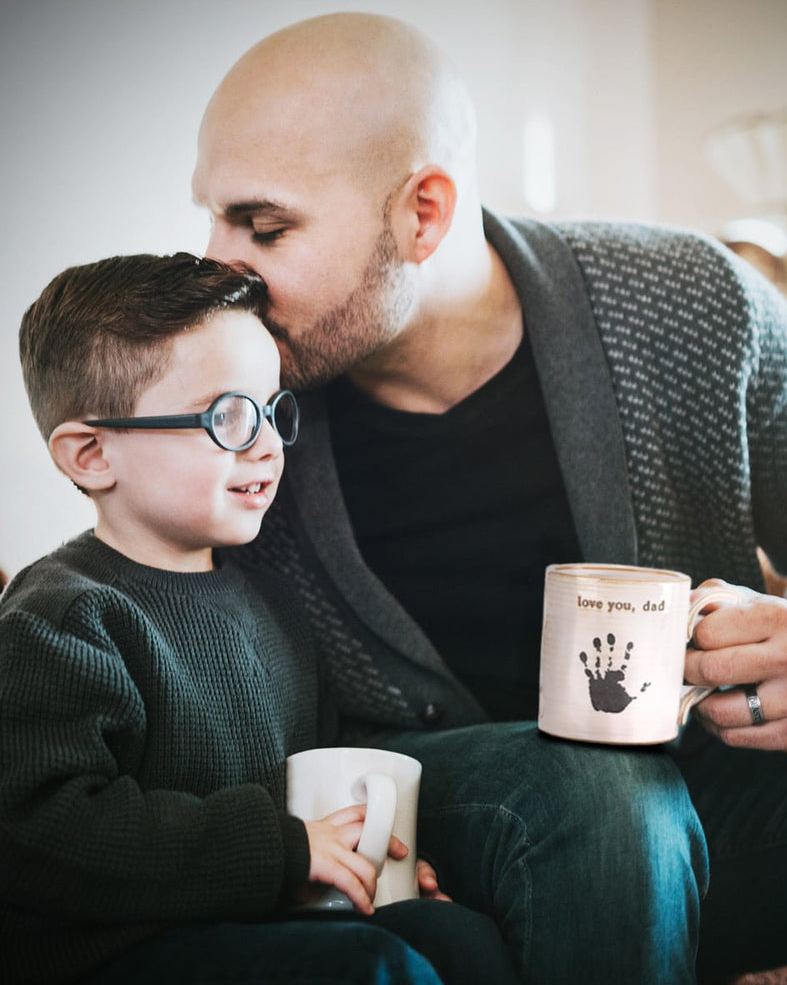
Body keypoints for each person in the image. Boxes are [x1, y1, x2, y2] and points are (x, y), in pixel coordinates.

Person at [191, 12, 787, 985]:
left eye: (261, 225)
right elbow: (176, 652)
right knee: (599, 784)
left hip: (690, 805)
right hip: (423, 831)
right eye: (212, 216)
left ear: (423, 211)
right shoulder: (232, 394)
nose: (215, 263)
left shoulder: (689, 300)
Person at [1, 252, 519, 985]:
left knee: (457, 938)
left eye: (273, 410)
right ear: (91, 454)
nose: (270, 445)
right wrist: (281, 851)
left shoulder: (274, 606)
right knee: (375, 968)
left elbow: (313, 778)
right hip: (119, 949)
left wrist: (368, 854)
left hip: (264, 917)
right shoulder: (62, 618)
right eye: (229, 417)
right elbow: (39, 830)